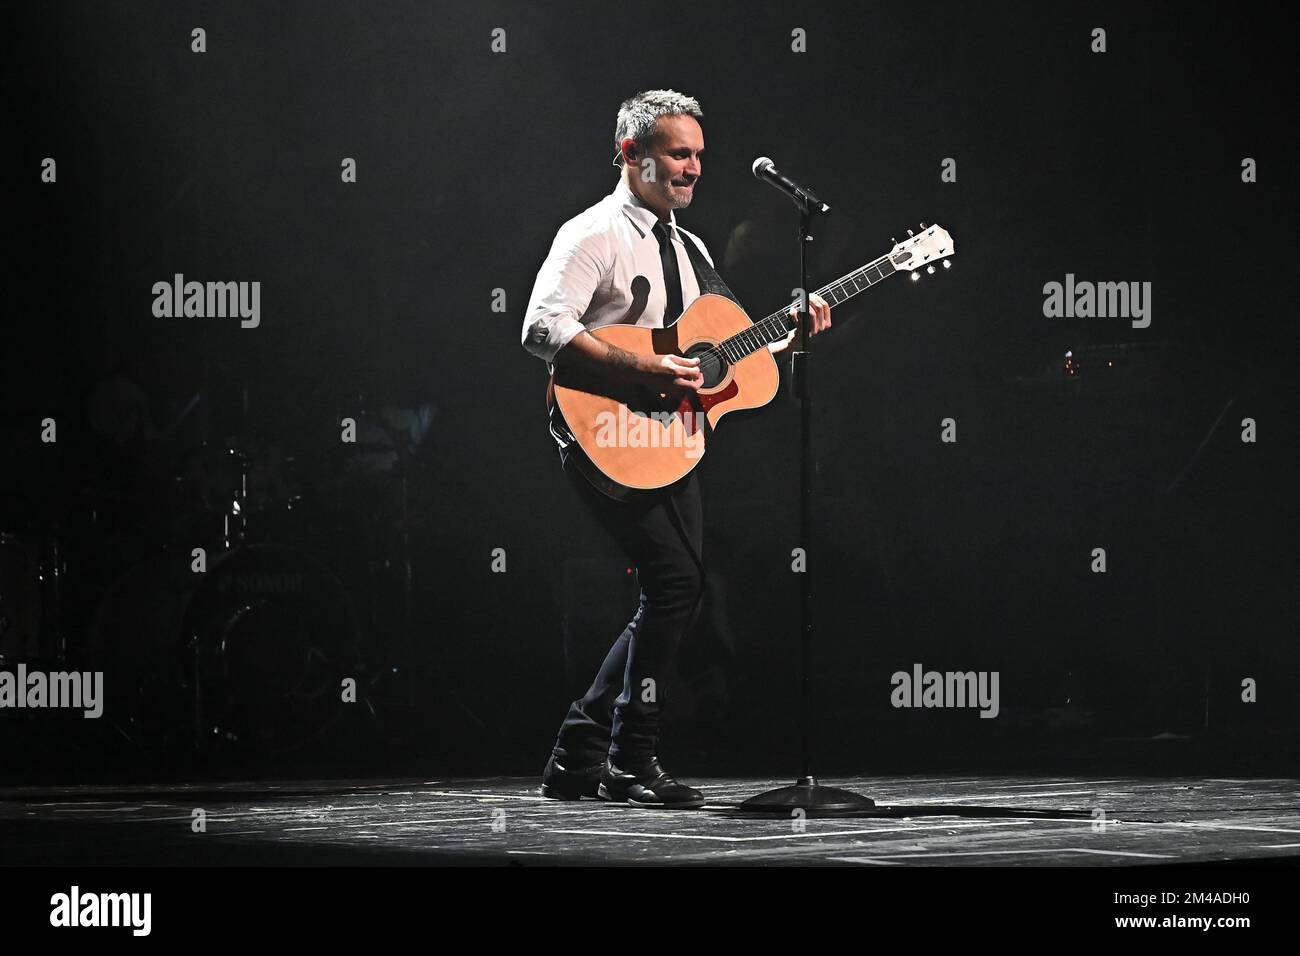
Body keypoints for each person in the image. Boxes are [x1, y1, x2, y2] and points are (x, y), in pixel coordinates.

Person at [521, 89, 831, 809]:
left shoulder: (688, 248)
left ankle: (583, 752)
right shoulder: (590, 234)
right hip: (606, 429)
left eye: (698, 155)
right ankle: (624, 755)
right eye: (678, 154)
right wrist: (641, 369)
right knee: (677, 585)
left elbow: (732, 353)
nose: (693, 169)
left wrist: (795, 331)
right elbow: (541, 329)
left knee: (677, 589)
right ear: (632, 154)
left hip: (669, 440)